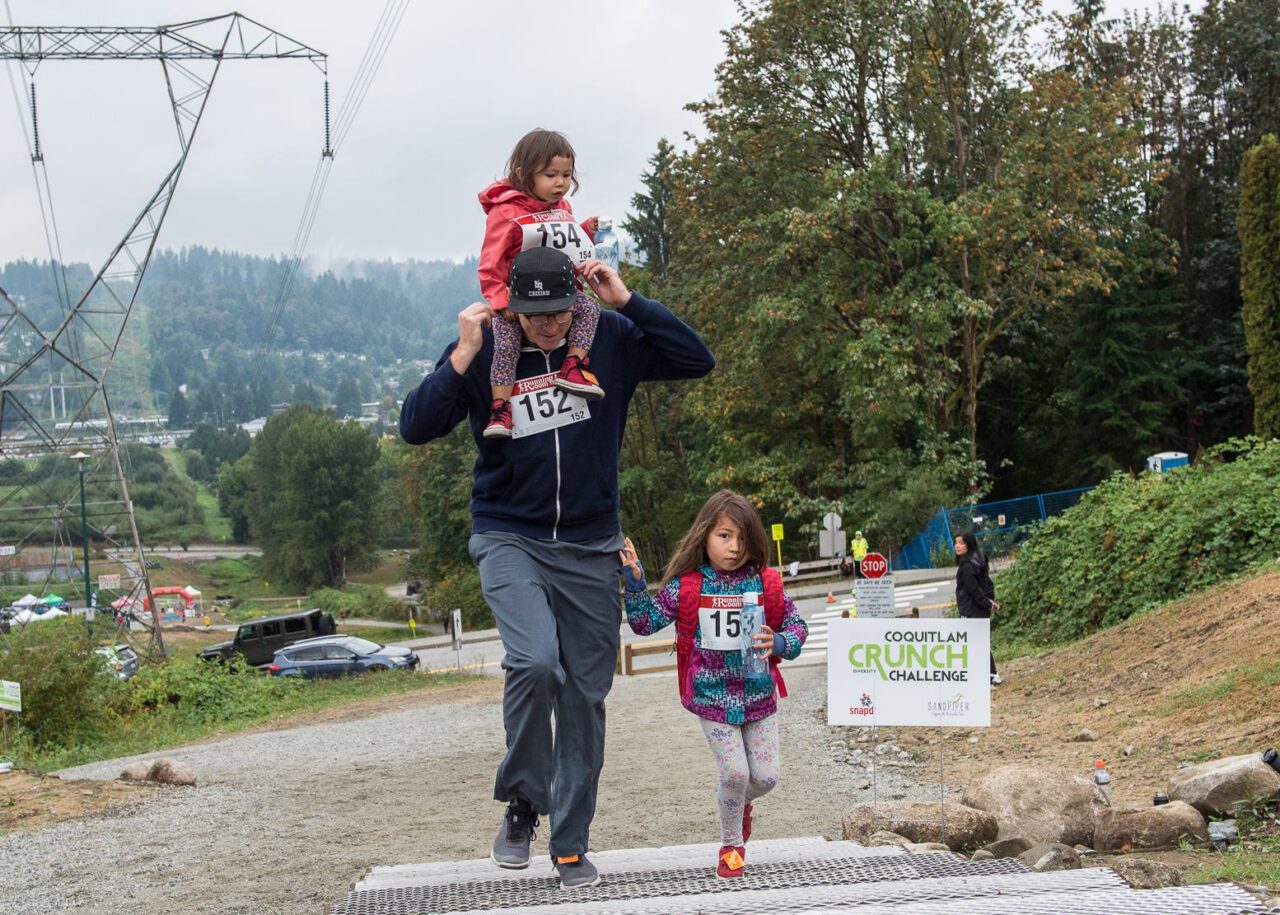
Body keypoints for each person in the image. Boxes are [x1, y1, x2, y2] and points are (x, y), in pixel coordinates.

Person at [399, 248, 714, 889]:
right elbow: (415, 426)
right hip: (508, 534)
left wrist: (629, 301)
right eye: (535, 315)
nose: (549, 327)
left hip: (591, 544)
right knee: (535, 661)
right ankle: (522, 802)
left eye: (560, 313)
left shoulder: (610, 337)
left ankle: (570, 843)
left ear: (577, 300)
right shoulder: (487, 347)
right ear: (512, 305)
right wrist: (460, 356)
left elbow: (696, 359)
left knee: (583, 698)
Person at [619, 491, 808, 879]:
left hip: (759, 698)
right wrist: (635, 583)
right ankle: (732, 845)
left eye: (742, 537)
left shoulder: (766, 584)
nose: (734, 547)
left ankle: (738, 806)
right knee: (735, 774)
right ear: (704, 535)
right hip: (711, 699)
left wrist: (780, 642)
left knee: (765, 778)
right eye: (724, 536)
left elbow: (798, 627)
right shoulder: (688, 587)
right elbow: (644, 623)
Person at [478, 128, 603, 439]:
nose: (560, 183)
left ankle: (573, 365)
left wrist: (585, 231)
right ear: (523, 174)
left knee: (590, 309)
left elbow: (563, 246)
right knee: (506, 344)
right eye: (550, 175)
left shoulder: (562, 208)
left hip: (558, 293)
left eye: (566, 175)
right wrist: (500, 301)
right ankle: (500, 408)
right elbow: (490, 262)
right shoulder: (506, 213)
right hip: (520, 299)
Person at [954, 531, 1002, 685]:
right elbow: (985, 585)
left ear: (969, 544)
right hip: (979, 610)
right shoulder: (978, 561)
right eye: (956, 543)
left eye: (961, 543)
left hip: (971, 611)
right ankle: (990, 674)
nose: (957, 546)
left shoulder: (967, 566)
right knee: (979, 643)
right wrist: (989, 603)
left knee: (975, 644)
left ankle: (989, 675)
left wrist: (987, 602)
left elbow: (973, 589)